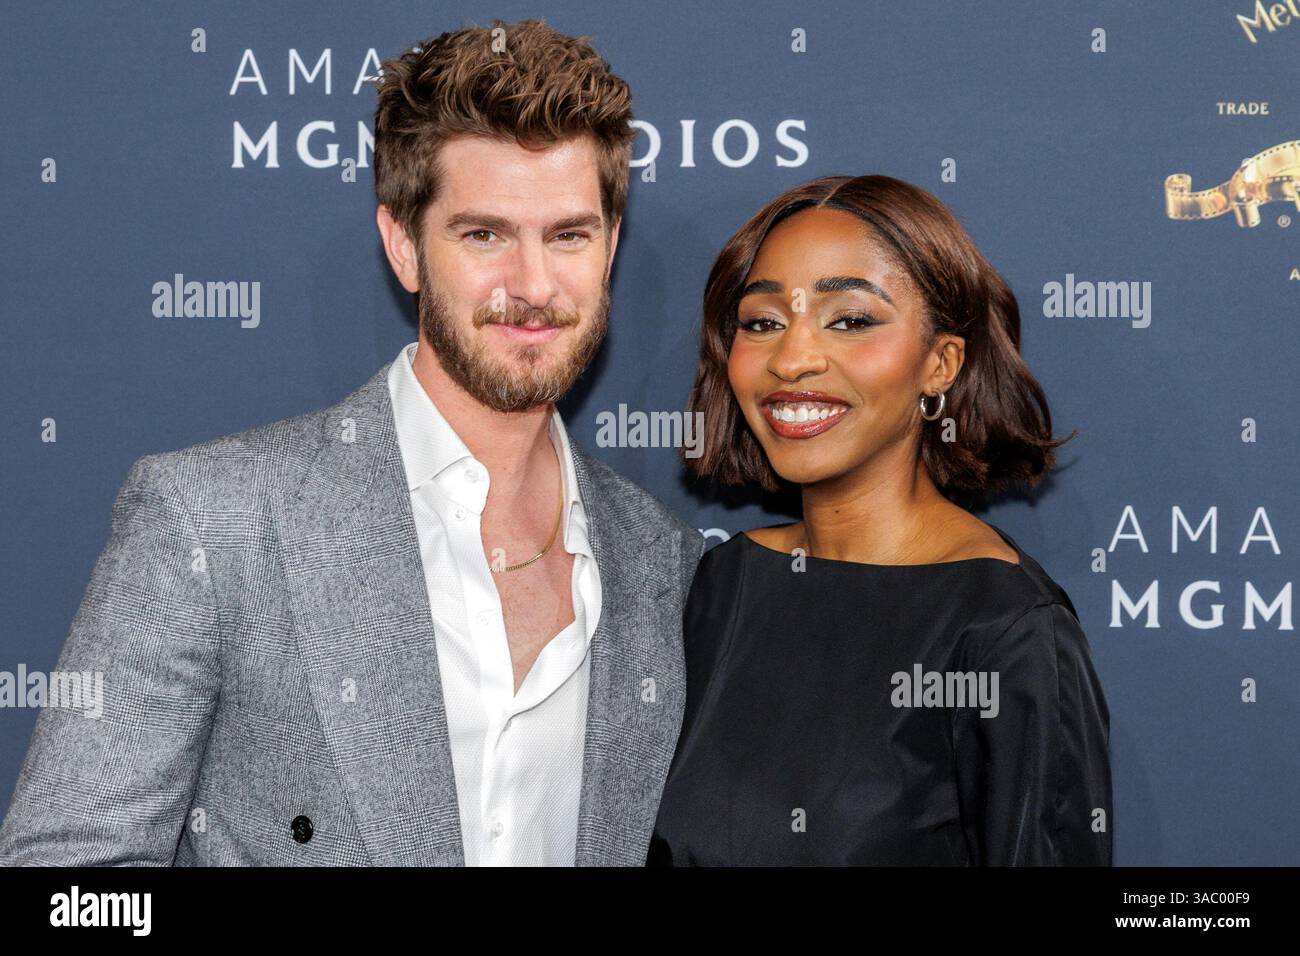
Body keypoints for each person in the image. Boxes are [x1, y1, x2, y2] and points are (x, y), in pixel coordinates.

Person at [0, 19, 704, 867]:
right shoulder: (211, 524)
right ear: (404, 245)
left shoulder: (662, 561)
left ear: (610, 246)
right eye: (483, 234)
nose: (533, 285)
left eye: (568, 235)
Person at [649, 174, 1112, 865]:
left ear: (940, 363)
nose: (794, 359)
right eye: (763, 322)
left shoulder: (1005, 630)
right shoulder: (724, 582)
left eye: (852, 320)